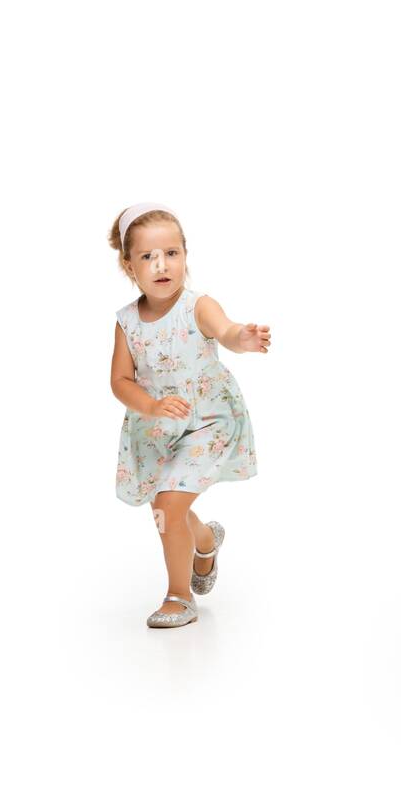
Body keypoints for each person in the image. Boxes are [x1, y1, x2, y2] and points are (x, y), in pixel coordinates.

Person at [108, 203, 269, 628]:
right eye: (147, 257)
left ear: (184, 255)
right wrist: (151, 406)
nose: (162, 265)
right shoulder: (127, 321)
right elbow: (120, 381)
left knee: (166, 504)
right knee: (168, 511)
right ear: (129, 266)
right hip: (156, 428)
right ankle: (205, 541)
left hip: (206, 422)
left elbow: (226, 330)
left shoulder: (197, 305)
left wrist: (243, 338)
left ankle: (178, 596)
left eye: (172, 253)